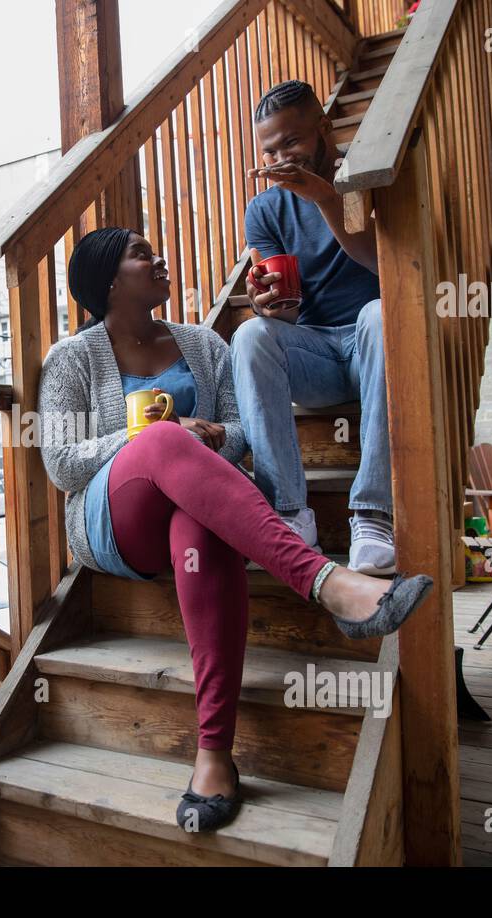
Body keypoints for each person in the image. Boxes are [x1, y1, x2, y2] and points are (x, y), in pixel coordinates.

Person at [37, 226, 433, 833]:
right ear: (110, 282)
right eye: (142, 254)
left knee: (204, 528)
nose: (159, 257)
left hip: (192, 508)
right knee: (167, 437)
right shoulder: (71, 358)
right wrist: (155, 439)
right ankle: (325, 581)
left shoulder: (203, 344)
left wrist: (211, 440)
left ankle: (213, 754)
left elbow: (243, 430)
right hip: (115, 519)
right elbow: (62, 464)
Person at [233, 79, 395, 574]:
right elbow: (286, 313)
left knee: (380, 311)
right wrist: (268, 306)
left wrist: (325, 198)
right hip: (318, 355)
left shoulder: (368, 178)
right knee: (249, 335)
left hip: (377, 342)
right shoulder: (264, 209)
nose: (282, 157)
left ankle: (373, 514)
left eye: (293, 141)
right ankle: (287, 513)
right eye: (271, 149)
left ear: (324, 129)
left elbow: (379, 263)